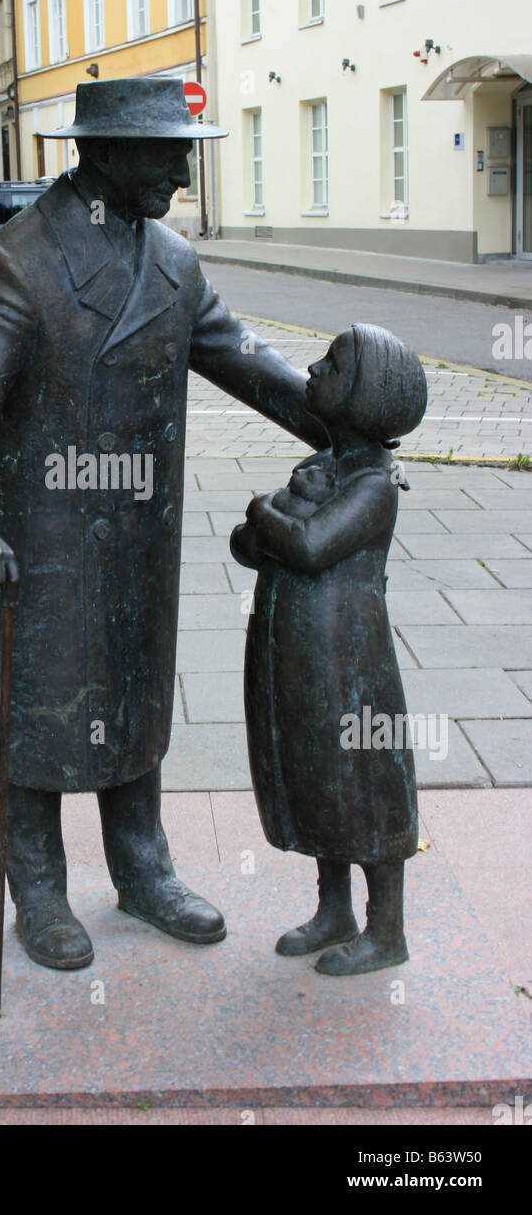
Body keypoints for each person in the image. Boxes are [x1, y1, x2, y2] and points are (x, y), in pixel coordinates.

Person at [0, 78, 328, 971]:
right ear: (104, 153)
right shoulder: (21, 260)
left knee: (131, 699)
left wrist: (345, 420)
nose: (183, 172)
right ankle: (37, 886)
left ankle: (142, 868)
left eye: (185, 151)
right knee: (37, 715)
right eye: (166, 152)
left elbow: (243, 359)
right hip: (39, 540)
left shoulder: (176, 263)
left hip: (138, 536)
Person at [230, 324, 428, 975]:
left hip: (349, 663)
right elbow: (248, 546)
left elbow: (310, 547)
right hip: (294, 654)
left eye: (334, 364)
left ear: (367, 394)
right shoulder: (320, 467)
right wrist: (269, 524)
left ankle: (387, 929)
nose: (313, 368)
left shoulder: (373, 483)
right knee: (316, 777)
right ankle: (333, 909)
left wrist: (268, 511)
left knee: (363, 784)